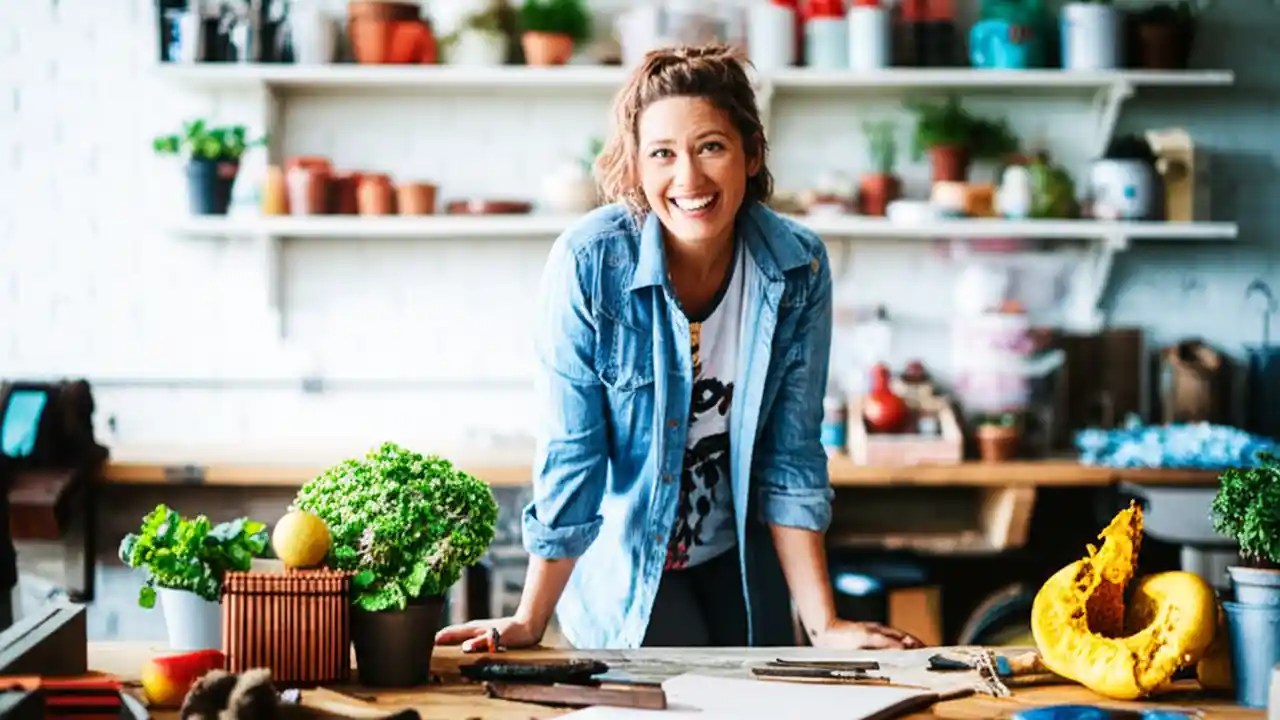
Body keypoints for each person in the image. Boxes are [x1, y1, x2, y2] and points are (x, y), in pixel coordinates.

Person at [436, 44, 923, 651]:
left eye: (711, 147)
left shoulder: (798, 267)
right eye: (662, 154)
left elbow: (791, 454)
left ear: (751, 154)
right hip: (627, 566)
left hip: (738, 558)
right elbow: (573, 454)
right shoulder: (590, 263)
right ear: (636, 168)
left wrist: (825, 625)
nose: (688, 179)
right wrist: (531, 619)